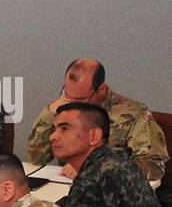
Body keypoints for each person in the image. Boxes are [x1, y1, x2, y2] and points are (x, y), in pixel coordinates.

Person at [25, 58, 167, 182]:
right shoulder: (63, 109)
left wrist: (92, 169)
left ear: (101, 89)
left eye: (81, 99)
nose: (73, 103)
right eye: (67, 95)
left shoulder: (134, 114)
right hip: (70, 187)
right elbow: (37, 159)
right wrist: (50, 112)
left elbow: (153, 167)